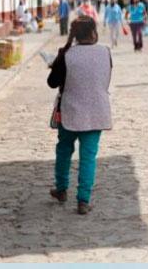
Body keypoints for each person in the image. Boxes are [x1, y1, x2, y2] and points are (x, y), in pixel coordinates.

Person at [46, 16, 113, 215]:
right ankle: (83, 200)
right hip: (96, 112)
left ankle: (61, 189)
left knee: (64, 150)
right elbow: (103, 79)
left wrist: (55, 65)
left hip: (71, 112)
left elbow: (52, 82)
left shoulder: (66, 54)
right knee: (88, 157)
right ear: (94, 33)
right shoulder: (105, 53)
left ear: (74, 35)